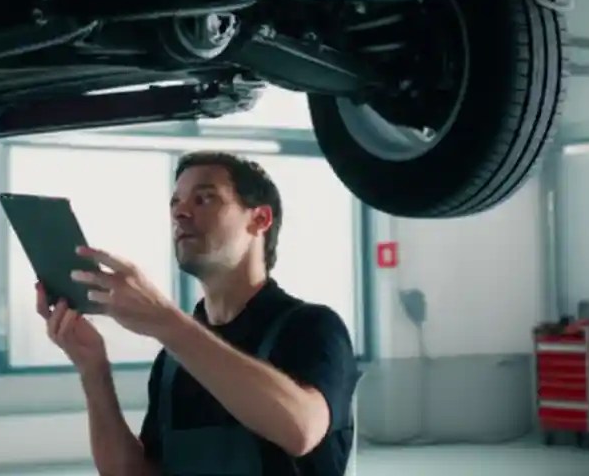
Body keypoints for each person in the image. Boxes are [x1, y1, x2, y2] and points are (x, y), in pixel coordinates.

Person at [34, 150, 360, 476]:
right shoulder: (173, 361)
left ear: (259, 219)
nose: (181, 214)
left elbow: (301, 430)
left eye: (204, 199)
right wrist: (93, 368)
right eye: (175, 203)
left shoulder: (313, 327)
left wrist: (166, 321)